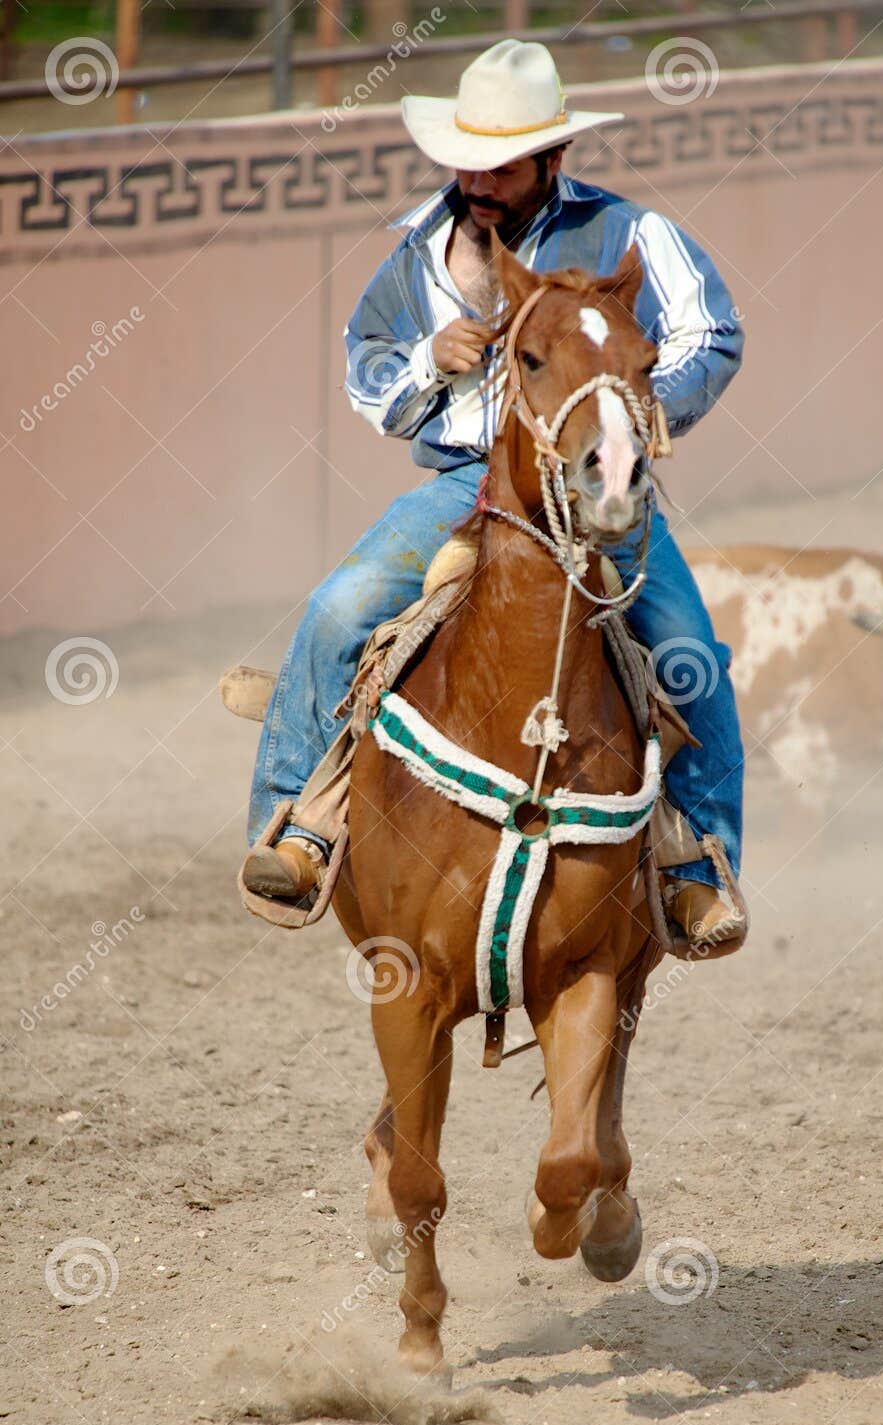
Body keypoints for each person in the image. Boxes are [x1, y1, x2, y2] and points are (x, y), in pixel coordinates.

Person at [243, 38, 747, 952]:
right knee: (338, 609)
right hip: (465, 486)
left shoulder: (627, 234)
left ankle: (695, 868)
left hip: (596, 488)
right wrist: (427, 365)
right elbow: (367, 375)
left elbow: (711, 332)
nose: (478, 183)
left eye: (502, 167)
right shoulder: (416, 254)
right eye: (467, 163)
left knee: (686, 653)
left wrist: (627, 420)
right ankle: (296, 828)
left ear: (552, 157)